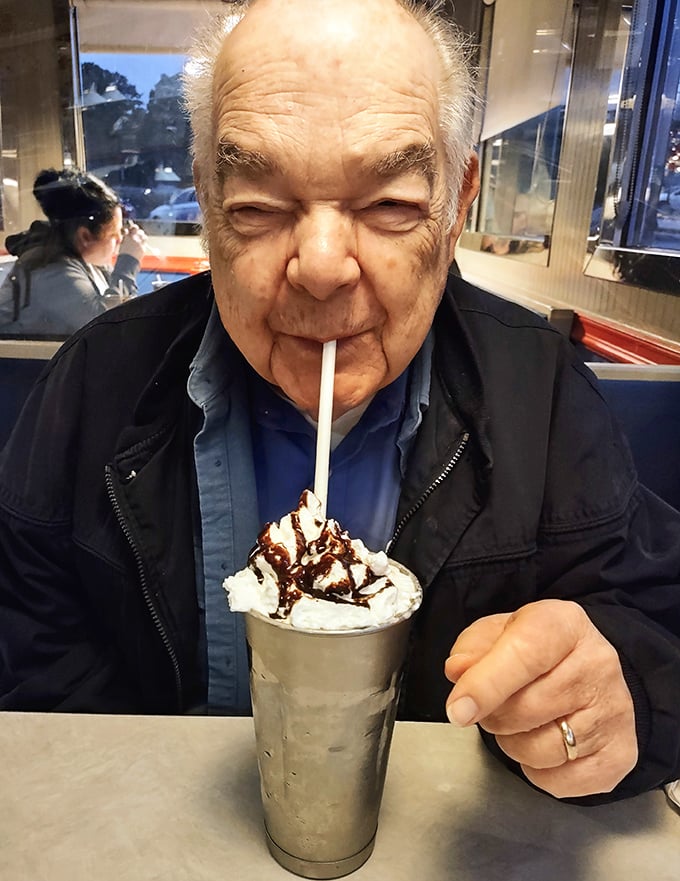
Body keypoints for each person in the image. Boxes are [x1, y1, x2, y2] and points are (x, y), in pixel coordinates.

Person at [0, 0, 679, 807]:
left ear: (456, 203)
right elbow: (30, 650)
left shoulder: (544, 391)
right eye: (255, 205)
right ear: (208, 201)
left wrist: (623, 689)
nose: (321, 267)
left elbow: (654, 622)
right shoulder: (95, 382)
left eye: (390, 204)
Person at [0, 168, 147, 336]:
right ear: (84, 236)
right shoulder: (52, 271)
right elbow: (105, 328)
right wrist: (128, 262)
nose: (120, 240)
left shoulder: (86, 265)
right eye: (114, 234)